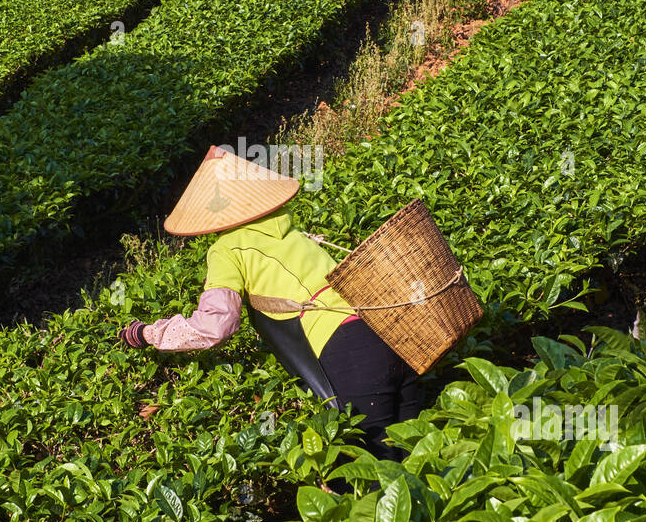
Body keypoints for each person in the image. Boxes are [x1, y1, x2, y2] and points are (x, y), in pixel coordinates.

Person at [118, 145, 420, 462]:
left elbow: (215, 324)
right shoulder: (293, 231)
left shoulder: (227, 249)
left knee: (368, 474)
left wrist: (149, 334)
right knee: (415, 457)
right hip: (388, 337)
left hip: (346, 354)